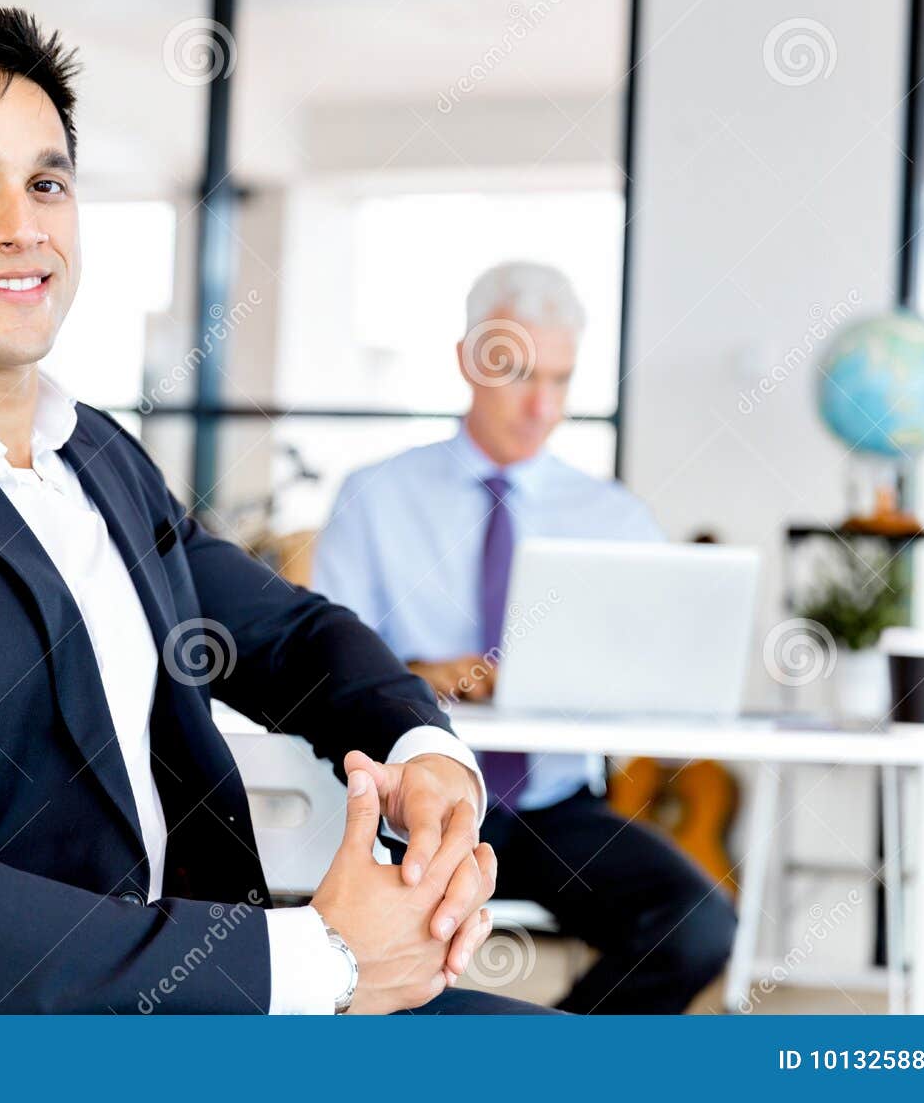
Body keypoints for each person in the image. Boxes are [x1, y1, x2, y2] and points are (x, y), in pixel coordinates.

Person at [0, 0, 545, 1015]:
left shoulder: (94, 455)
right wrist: (322, 958)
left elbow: (290, 636)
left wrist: (425, 752)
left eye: (47, 182)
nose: (22, 225)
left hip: (208, 1013)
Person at [311, 262, 738, 1013]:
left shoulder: (614, 517)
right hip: (417, 803)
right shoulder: (375, 496)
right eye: (520, 375)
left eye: (561, 380)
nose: (544, 406)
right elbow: (323, 658)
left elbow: (660, 670)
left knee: (698, 925)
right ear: (468, 360)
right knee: (385, 966)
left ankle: (553, 1060)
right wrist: (418, 673)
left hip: (551, 808)